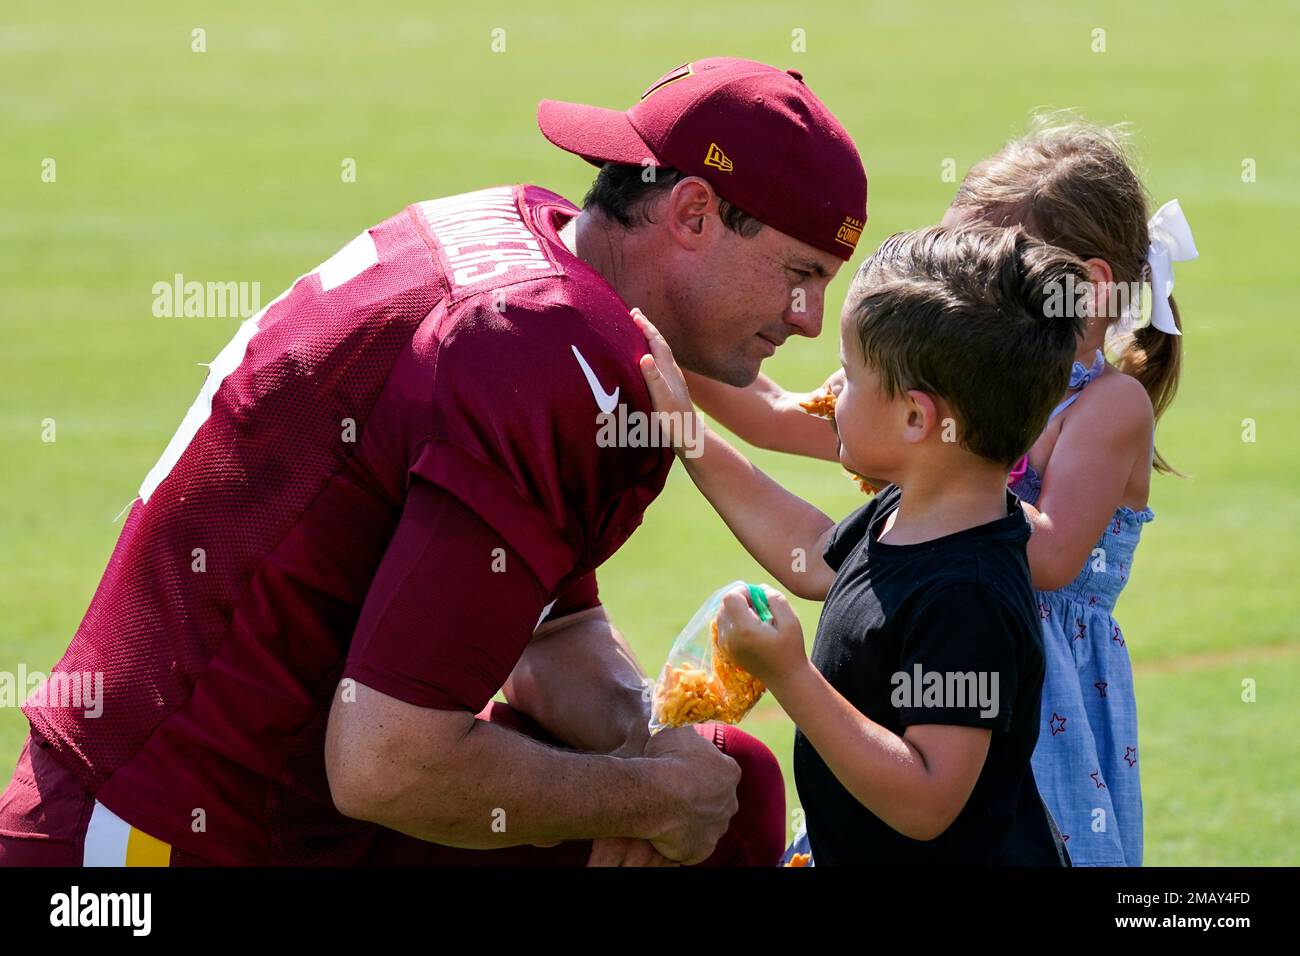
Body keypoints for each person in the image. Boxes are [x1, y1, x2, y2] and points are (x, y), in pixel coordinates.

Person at [0, 57, 866, 867]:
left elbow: (545, 629)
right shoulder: (544, 347)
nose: (808, 320)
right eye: (799, 273)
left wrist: (647, 741)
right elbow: (386, 763)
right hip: (154, 833)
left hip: (251, 794)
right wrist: (640, 799)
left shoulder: (541, 261)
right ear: (691, 214)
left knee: (728, 783)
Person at [685, 119, 1192, 866]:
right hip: (919, 664)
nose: (965, 281)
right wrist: (654, 347)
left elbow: (1048, 557)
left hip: (1041, 697)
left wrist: (948, 465)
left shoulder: (1098, 409)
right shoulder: (933, 411)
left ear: (1083, 288)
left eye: (990, 265)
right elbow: (770, 420)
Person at [632, 223, 1082, 865]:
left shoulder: (967, 598)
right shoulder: (917, 509)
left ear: (915, 418)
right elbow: (815, 555)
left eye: (850, 373)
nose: (834, 389)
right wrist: (689, 436)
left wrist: (789, 674)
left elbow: (927, 799)